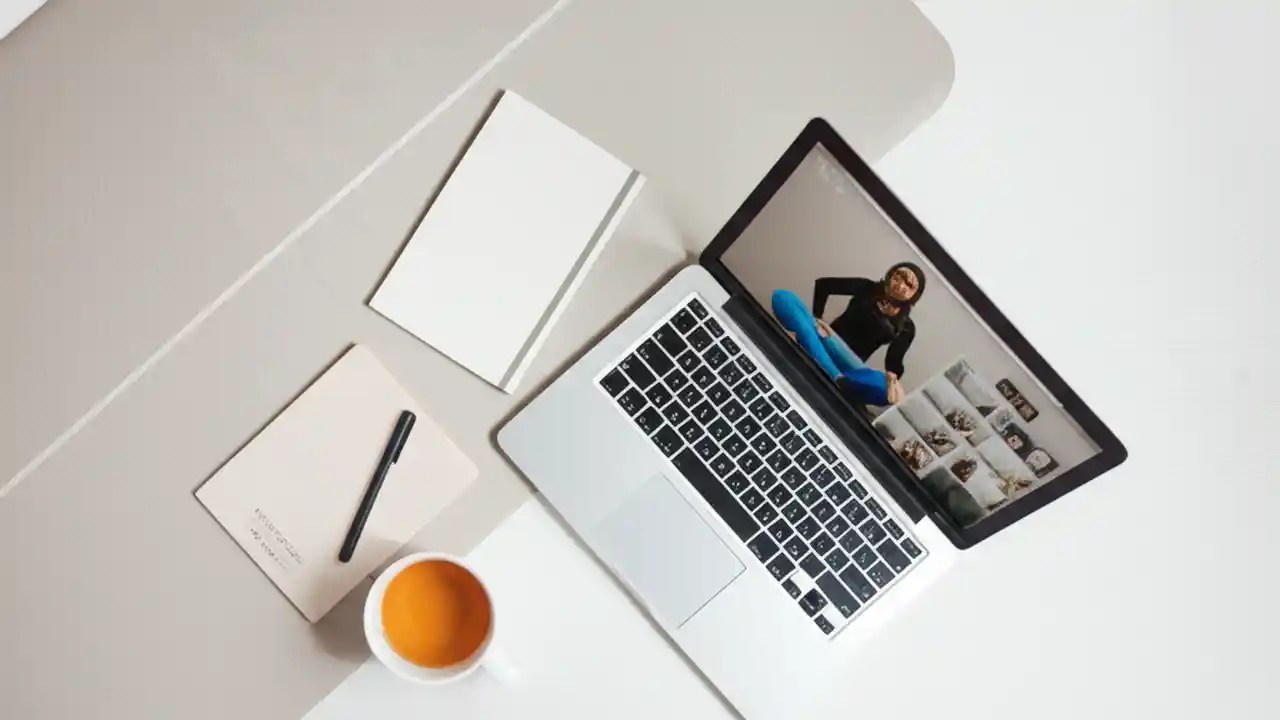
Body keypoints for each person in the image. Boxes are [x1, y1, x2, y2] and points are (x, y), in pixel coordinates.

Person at [812, 261, 926, 391]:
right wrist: (816, 318)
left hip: (850, 364)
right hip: (827, 340)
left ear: (915, 294)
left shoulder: (906, 326)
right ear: (890, 275)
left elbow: (893, 363)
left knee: (882, 388)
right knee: (789, 301)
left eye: (909, 285)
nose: (900, 285)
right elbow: (824, 285)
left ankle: (839, 379)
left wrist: (893, 381)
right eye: (898, 277)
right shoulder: (867, 288)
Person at [772, 289, 896, 406]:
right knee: (784, 298)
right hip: (848, 367)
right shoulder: (869, 291)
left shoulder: (897, 327)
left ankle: (835, 377)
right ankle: (836, 376)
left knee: (882, 388)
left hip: (847, 376)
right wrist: (825, 333)